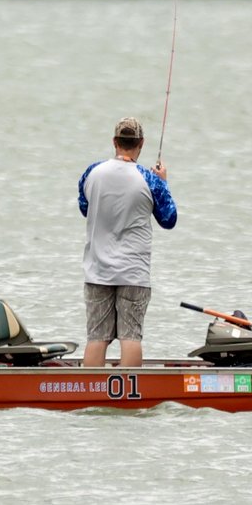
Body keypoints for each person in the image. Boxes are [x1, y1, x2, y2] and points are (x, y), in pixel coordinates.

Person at [77, 113, 177, 369]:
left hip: (97, 269)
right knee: (131, 337)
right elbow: (169, 219)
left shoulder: (92, 172)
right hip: (134, 272)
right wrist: (163, 185)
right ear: (141, 143)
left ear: (114, 141)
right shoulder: (150, 179)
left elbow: (84, 207)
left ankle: (91, 395)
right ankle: (128, 397)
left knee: (96, 338)